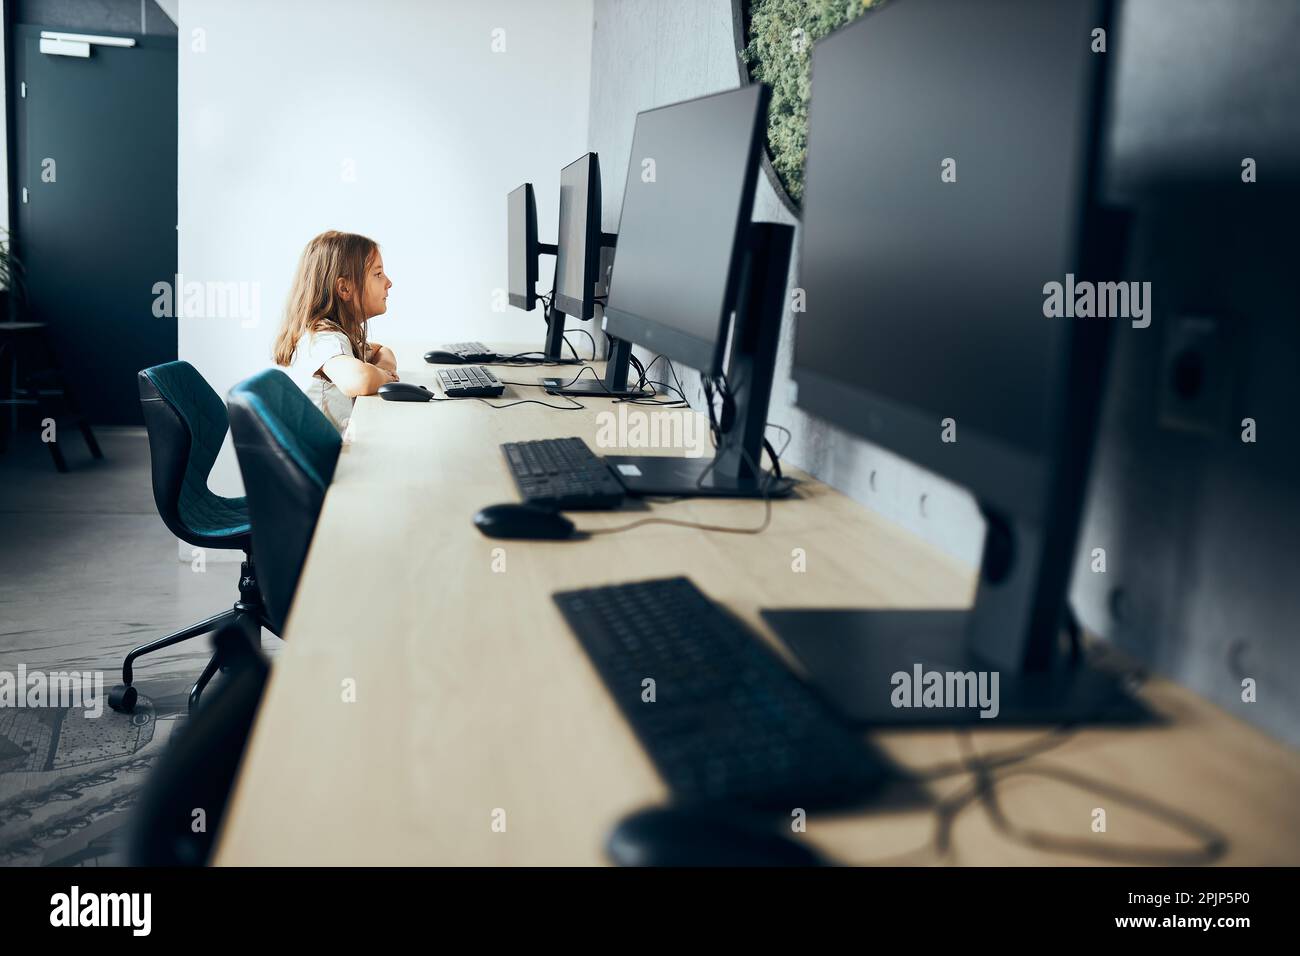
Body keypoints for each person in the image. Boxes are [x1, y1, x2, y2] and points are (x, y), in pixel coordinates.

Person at [272, 230, 397, 432]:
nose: (389, 282)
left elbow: (383, 351)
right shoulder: (323, 339)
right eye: (378, 274)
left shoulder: (344, 334)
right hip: (329, 459)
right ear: (344, 288)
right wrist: (382, 376)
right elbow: (360, 379)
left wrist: (382, 370)